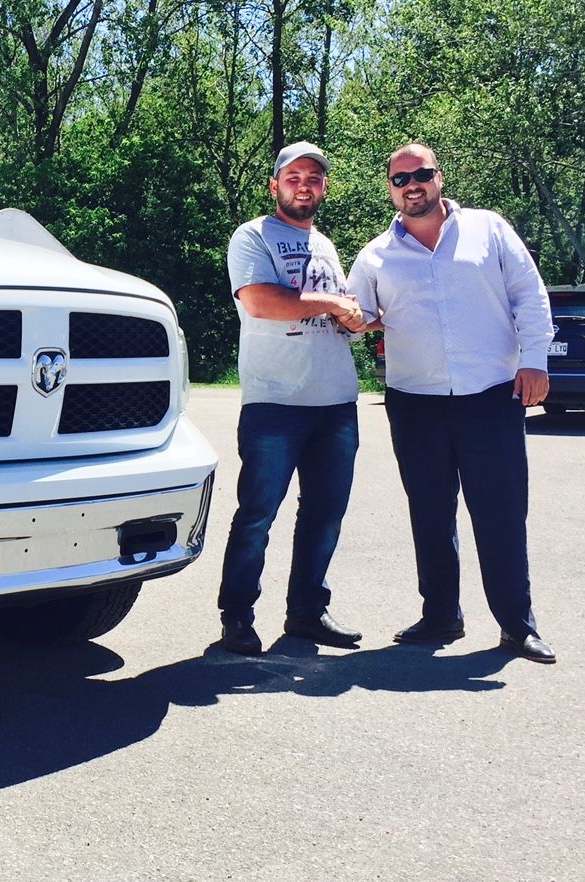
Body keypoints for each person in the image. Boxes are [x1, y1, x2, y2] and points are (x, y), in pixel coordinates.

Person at [346, 143, 556, 663]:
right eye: (400, 179)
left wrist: (535, 359)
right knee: (431, 514)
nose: (411, 185)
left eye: (420, 174)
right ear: (390, 189)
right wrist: (344, 316)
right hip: (415, 401)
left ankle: (517, 625)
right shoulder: (375, 255)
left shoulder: (489, 229)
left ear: (439, 177)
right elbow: (354, 318)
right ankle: (441, 615)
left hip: (491, 395)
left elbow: (529, 294)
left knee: (501, 512)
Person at [217, 141, 367, 656]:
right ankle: (237, 616)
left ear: (324, 187)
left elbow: (349, 322)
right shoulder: (253, 236)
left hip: (336, 404)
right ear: (275, 185)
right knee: (258, 514)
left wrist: (356, 319)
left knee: (325, 514)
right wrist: (334, 304)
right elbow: (260, 302)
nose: (304, 184)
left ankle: (306, 612)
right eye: (294, 176)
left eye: (315, 177)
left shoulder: (325, 244)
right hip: (275, 402)